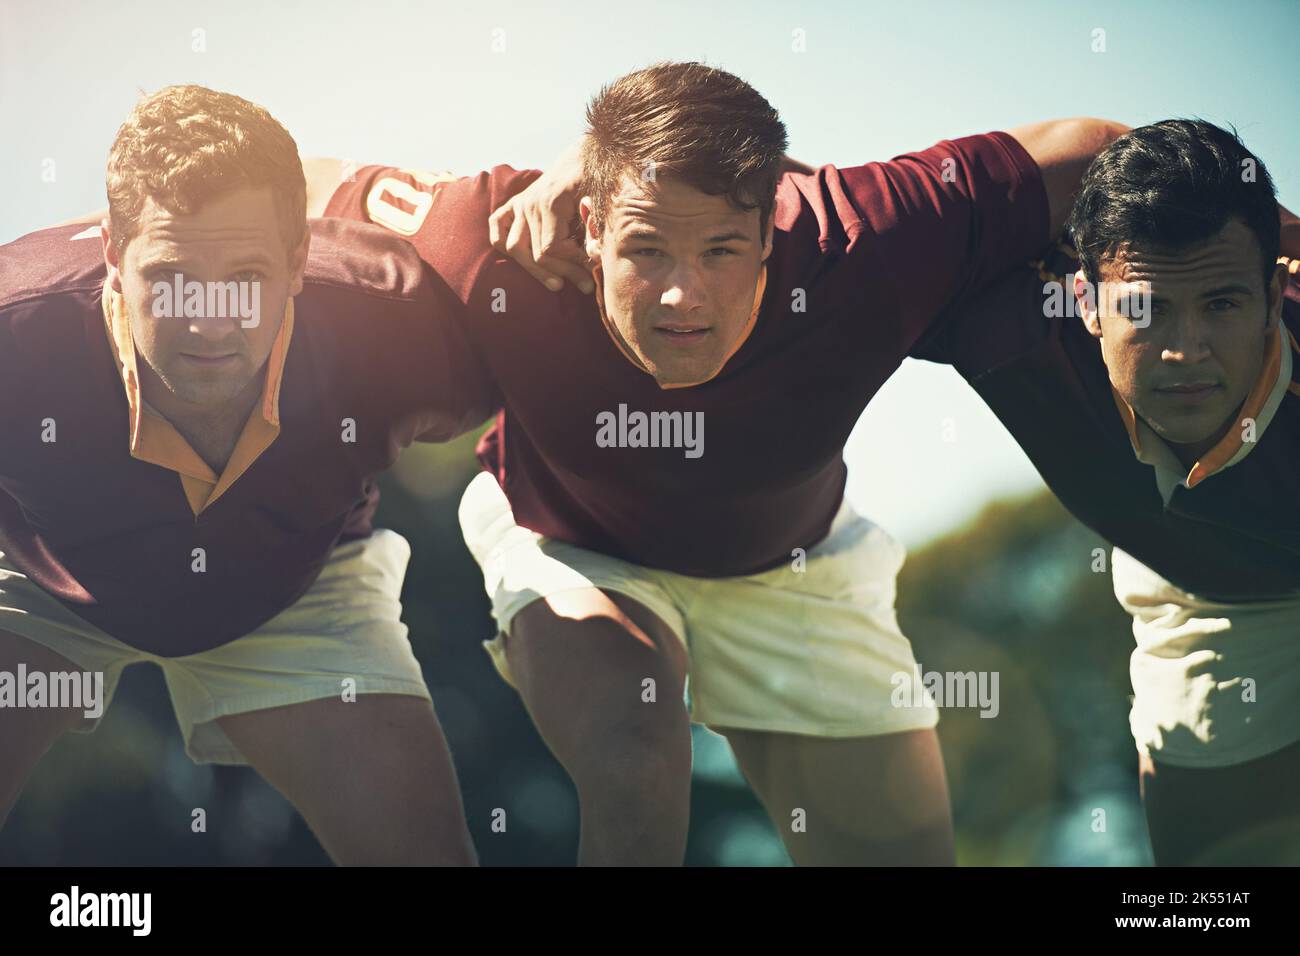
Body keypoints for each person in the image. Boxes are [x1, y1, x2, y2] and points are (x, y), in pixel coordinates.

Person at [316, 61, 1128, 864]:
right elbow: (290, 177)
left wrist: (1259, 232)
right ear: (591, 227)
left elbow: (1097, 148)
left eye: (720, 250)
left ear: (772, 229)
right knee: (633, 760)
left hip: (796, 571)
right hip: (571, 542)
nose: (682, 295)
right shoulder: (487, 234)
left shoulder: (872, 235)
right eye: (647, 249)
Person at [0, 85, 495, 865]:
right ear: (110, 254)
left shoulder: (398, 323)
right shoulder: (12, 327)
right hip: (37, 577)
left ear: (299, 258)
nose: (209, 320)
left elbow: (572, 377)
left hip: (298, 587)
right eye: (170, 275)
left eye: (247, 275)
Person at [909, 119, 1300, 864]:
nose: (1186, 350)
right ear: (1085, 300)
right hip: (1211, 587)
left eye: (1221, 304)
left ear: (1275, 288)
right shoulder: (1004, 321)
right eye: (1146, 310)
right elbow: (827, 228)